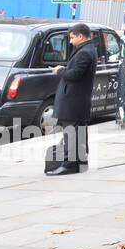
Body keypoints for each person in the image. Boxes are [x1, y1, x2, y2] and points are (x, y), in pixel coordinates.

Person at [46, 23, 96, 176]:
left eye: (72, 38)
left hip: (74, 99)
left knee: (71, 132)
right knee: (79, 131)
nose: (70, 41)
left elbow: (75, 75)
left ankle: (69, 165)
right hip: (78, 99)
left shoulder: (84, 53)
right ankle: (81, 162)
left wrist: (60, 70)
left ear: (81, 36)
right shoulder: (88, 49)